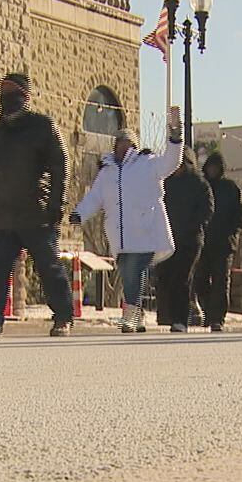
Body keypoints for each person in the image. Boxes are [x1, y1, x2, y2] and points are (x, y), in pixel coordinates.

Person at [0, 73, 76, 338]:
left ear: (26, 97)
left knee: (49, 268)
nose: (8, 98)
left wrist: (56, 202)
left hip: (36, 212)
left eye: (13, 92)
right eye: (3, 92)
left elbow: (60, 164)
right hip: (3, 214)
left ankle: (63, 317)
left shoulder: (43, 126)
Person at [71, 121, 184, 333]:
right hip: (120, 237)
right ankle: (137, 316)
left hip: (144, 232)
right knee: (128, 274)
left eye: (127, 144)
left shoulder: (148, 164)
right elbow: (95, 197)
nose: (123, 148)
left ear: (134, 146)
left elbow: (171, 162)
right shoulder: (107, 173)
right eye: (120, 144)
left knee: (136, 271)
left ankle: (129, 318)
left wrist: (175, 139)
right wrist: (80, 214)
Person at [156, 151, 213, 332]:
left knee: (182, 278)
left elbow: (207, 209)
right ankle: (169, 316)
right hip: (167, 239)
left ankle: (180, 320)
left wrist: (191, 226)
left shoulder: (198, 183)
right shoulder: (165, 182)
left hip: (190, 240)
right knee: (167, 277)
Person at [196, 150, 242, 332]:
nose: (212, 170)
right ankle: (208, 311)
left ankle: (217, 317)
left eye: (216, 167)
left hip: (224, 243)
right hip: (203, 242)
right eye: (210, 167)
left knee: (220, 281)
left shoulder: (230, 188)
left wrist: (233, 233)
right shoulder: (201, 187)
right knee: (199, 280)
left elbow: (241, 214)